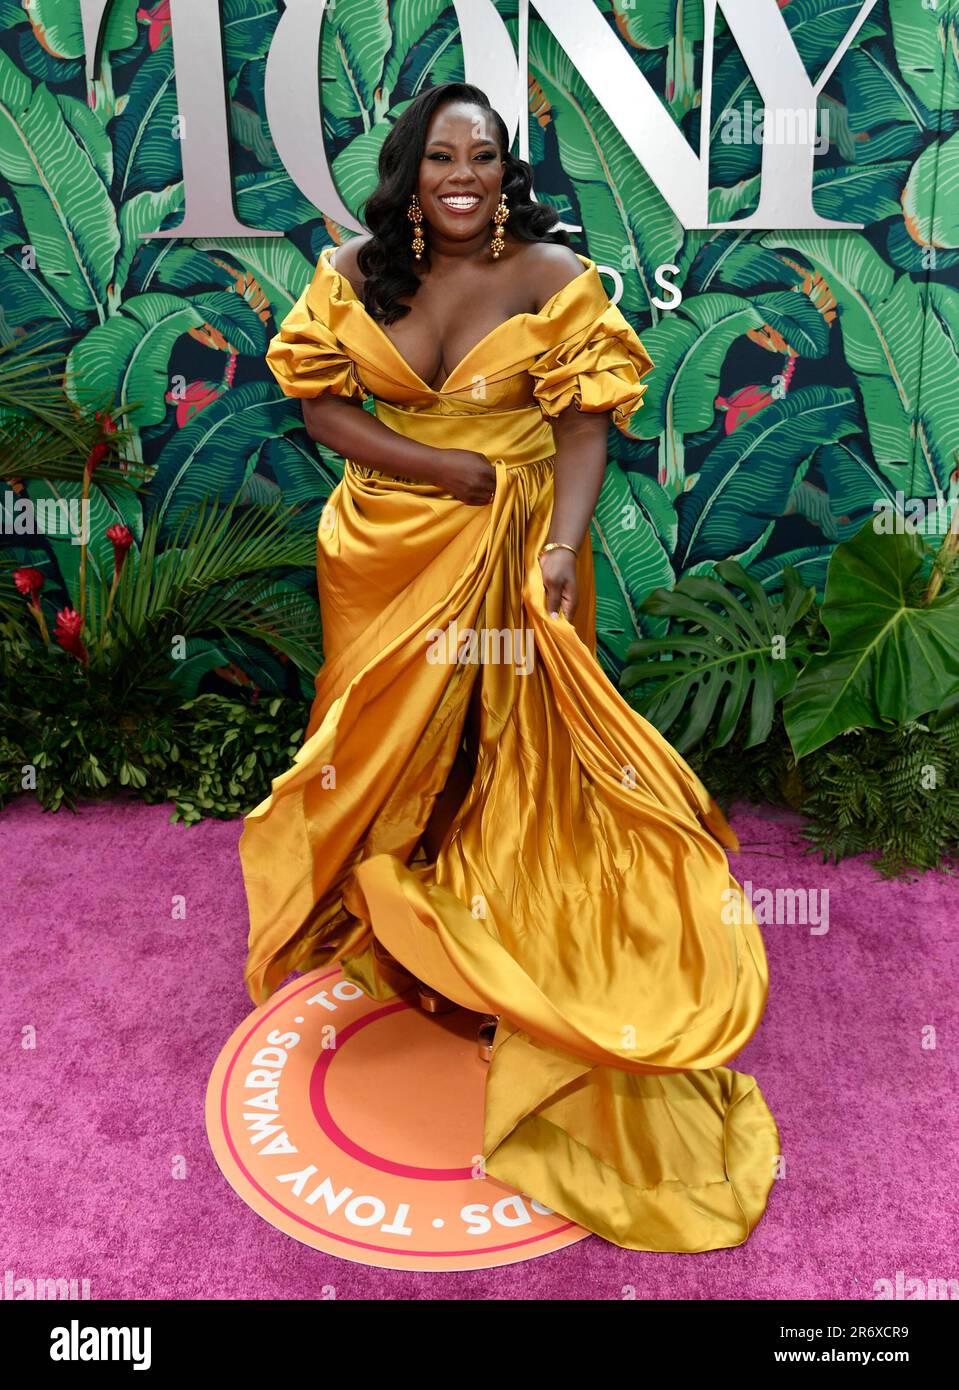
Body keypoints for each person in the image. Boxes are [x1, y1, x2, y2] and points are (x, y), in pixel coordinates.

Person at [239, 81, 780, 1252]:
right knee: (378, 746)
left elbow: (585, 426)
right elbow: (320, 406)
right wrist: (444, 474)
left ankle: (498, 942)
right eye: (441, 155)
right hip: (383, 552)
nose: (462, 174)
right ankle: (397, 929)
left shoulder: (547, 276)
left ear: (504, 169)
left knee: (511, 755)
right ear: (410, 168)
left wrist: (559, 547)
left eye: (482, 155)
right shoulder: (351, 269)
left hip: (522, 554)